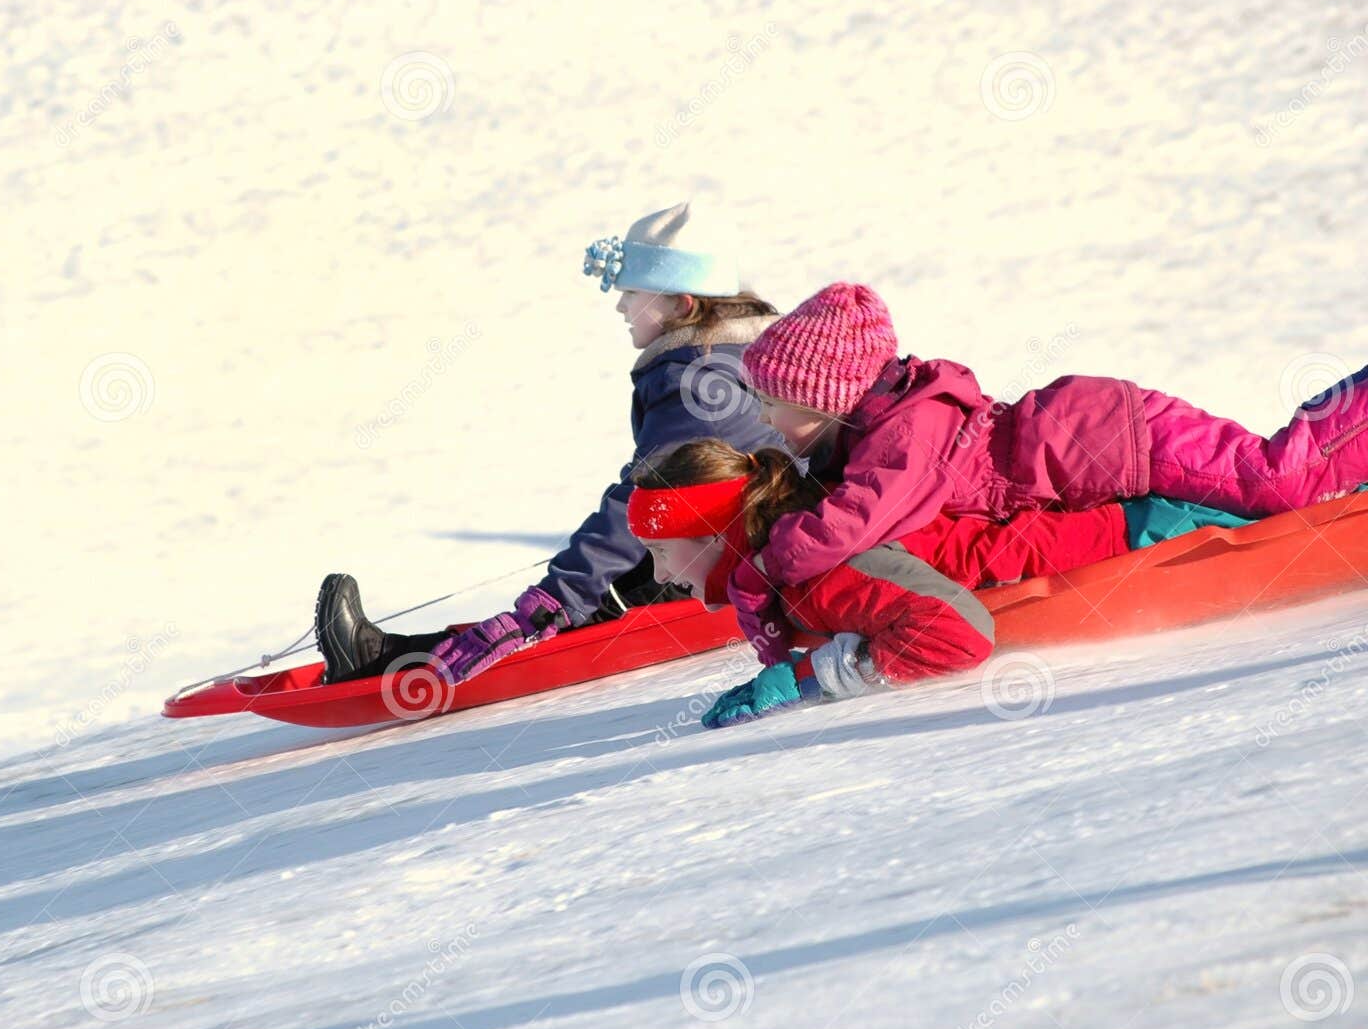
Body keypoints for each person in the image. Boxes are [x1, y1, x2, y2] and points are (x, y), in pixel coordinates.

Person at [727, 281, 1368, 664]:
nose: (765, 420)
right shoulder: (881, 433)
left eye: (775, 404)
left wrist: (762, 570)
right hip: (1093, 435)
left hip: (1111, 437)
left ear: (827, 399)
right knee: (1270, 488)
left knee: (1276, 482)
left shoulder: (901, 439)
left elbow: (850, 524)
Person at [315, 200, 787, 684]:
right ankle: (394, 653)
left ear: (681, 305)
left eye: (632, 294)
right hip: (739, 546)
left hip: (723, 563)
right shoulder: (735, 359)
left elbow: (644, 503)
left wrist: (553, 601)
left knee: (594, 604)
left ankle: (381, 663)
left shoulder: (697, 384)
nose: (621, 306)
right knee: (612, 582)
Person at [630, 438, 1289, 728]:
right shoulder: (798, 550)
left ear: (715, 539)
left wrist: (809, 681)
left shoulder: (817, 573)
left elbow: (957, 632)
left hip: (1137, 539)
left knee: (1308, 512)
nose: (658, 576)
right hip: (1113, 526)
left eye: (662, 553)